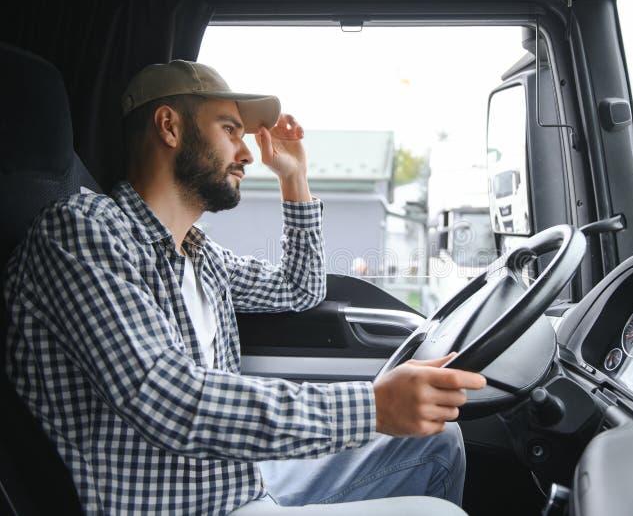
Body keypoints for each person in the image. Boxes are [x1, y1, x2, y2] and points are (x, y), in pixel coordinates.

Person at [3, 60, 486, 515]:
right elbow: (168, 398)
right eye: (230, 129)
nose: (247, 153)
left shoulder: (199, 254)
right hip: (179, 505)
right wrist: (373, 405)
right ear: (169, 127)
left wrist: (294, 180)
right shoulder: (82, 232)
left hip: (229, 479)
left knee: (436, 440)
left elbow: (300, 289)